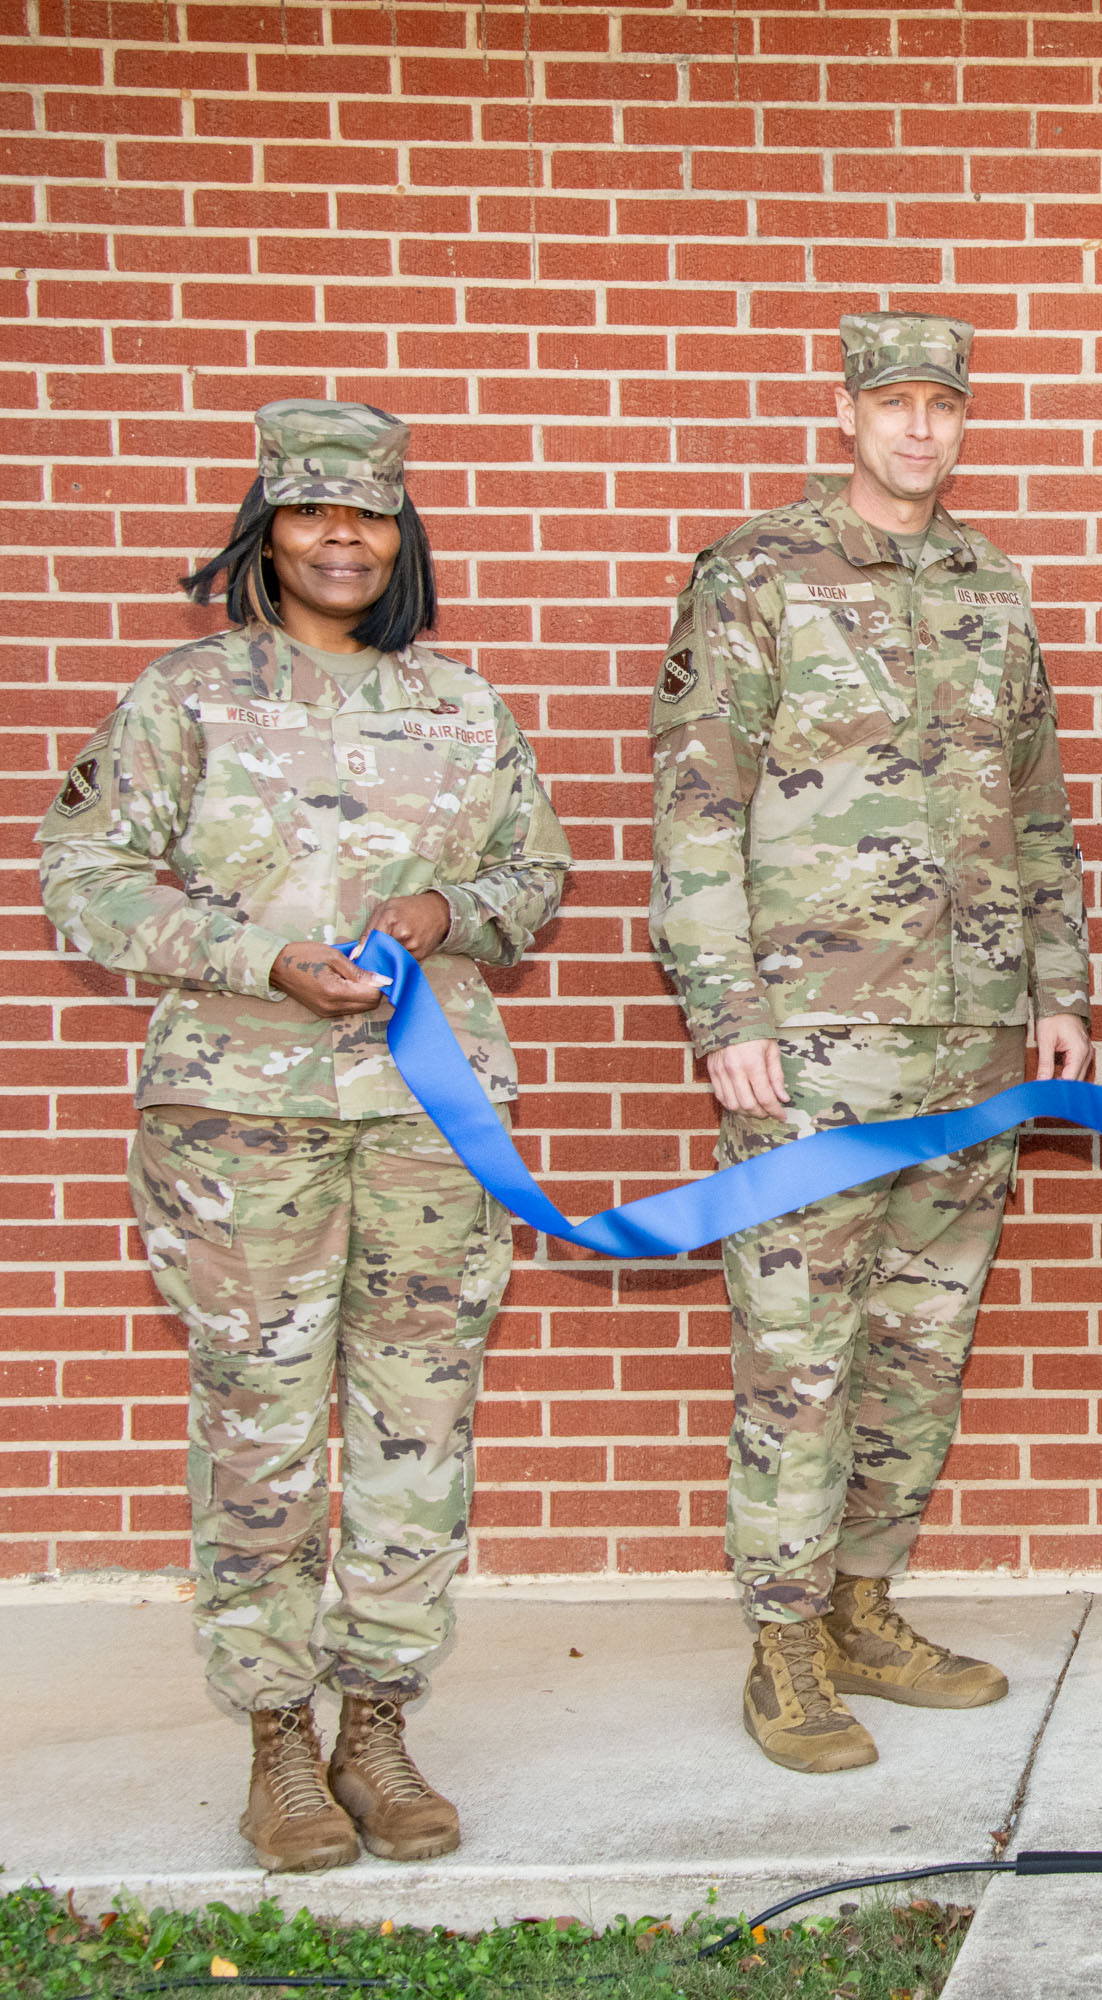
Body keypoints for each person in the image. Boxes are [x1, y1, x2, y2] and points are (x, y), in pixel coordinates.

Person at [37, 401, 569, 1871]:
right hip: (238, 1121)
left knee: (418, 1422)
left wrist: (449, 913)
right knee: (260, 1430)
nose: (345, 537)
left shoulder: (461, 707)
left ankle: (380, 1728)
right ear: (265, 531)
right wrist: (256, 952)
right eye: (314, 512)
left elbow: (539, 868)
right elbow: (81, 878)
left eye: (371, 515)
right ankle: (277, 1738)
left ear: (401, 537)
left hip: (427, 1119)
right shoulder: (185, 697)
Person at [648, 314, 1091, 1774]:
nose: (920, 430)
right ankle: (782, 1648)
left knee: (920, 1345)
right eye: (893, 404)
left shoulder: (992, 586)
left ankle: (862, 1605)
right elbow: (699, 805)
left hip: (971, 1047)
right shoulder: (755, 573)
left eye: (942, 407)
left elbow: (1036, 813)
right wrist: (729, 1014)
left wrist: (1060, 993)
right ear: (845, 414)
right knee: (800, 1355)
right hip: (815, 1048)